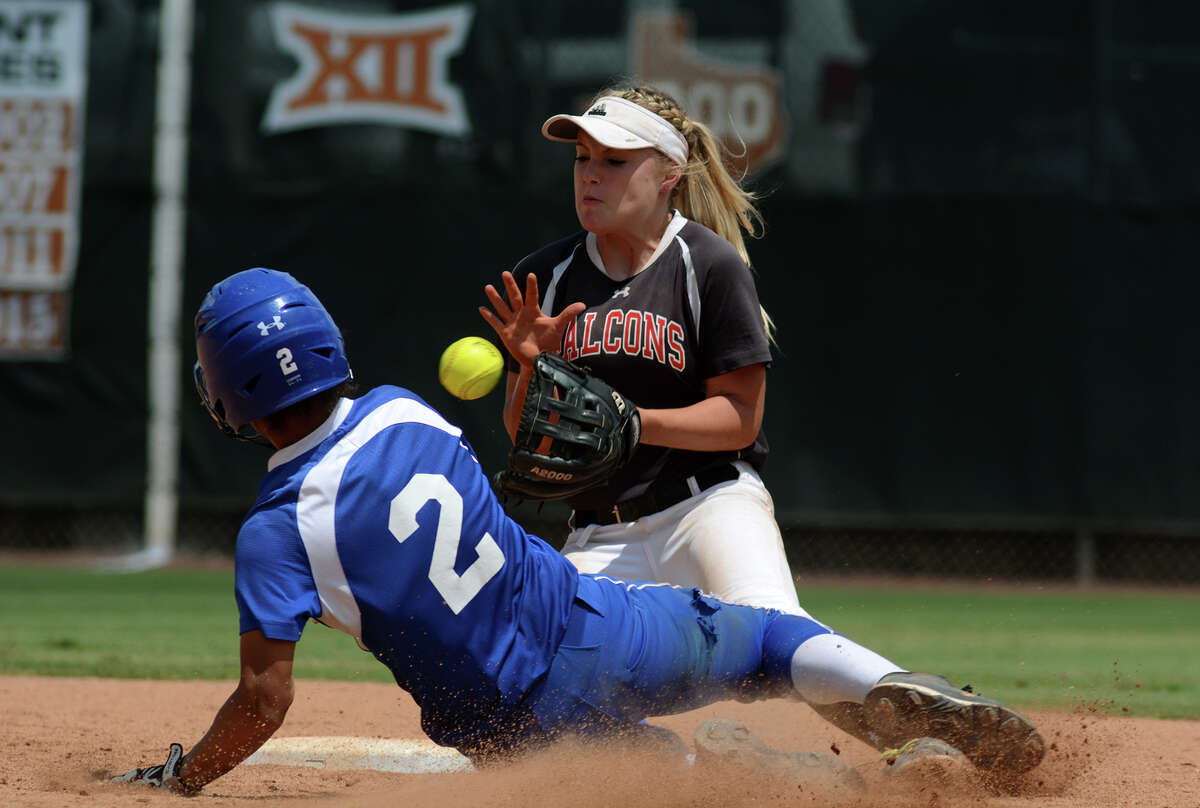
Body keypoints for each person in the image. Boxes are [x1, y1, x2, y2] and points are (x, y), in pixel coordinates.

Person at [112, 268, 1044, 795]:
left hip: (519, 728)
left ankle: (821, 789)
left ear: (232, 396)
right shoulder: (404, 410)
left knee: (679, 788)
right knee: (766, 637)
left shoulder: (276, 533)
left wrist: (185, 778)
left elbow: (263, 702)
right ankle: (886, 688)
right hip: (593, 622)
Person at [479, 85, 800, 616]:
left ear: (669, 174)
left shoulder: (707, 264)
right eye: (582, 158)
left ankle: (890, 694)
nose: (590, 174)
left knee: (773, 629)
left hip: (708, 508)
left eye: (614, 160)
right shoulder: (545, 280)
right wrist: (533, 365)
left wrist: (635, 422)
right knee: (531, 674)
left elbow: (741, 417)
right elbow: (524, 435)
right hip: (601, 533)